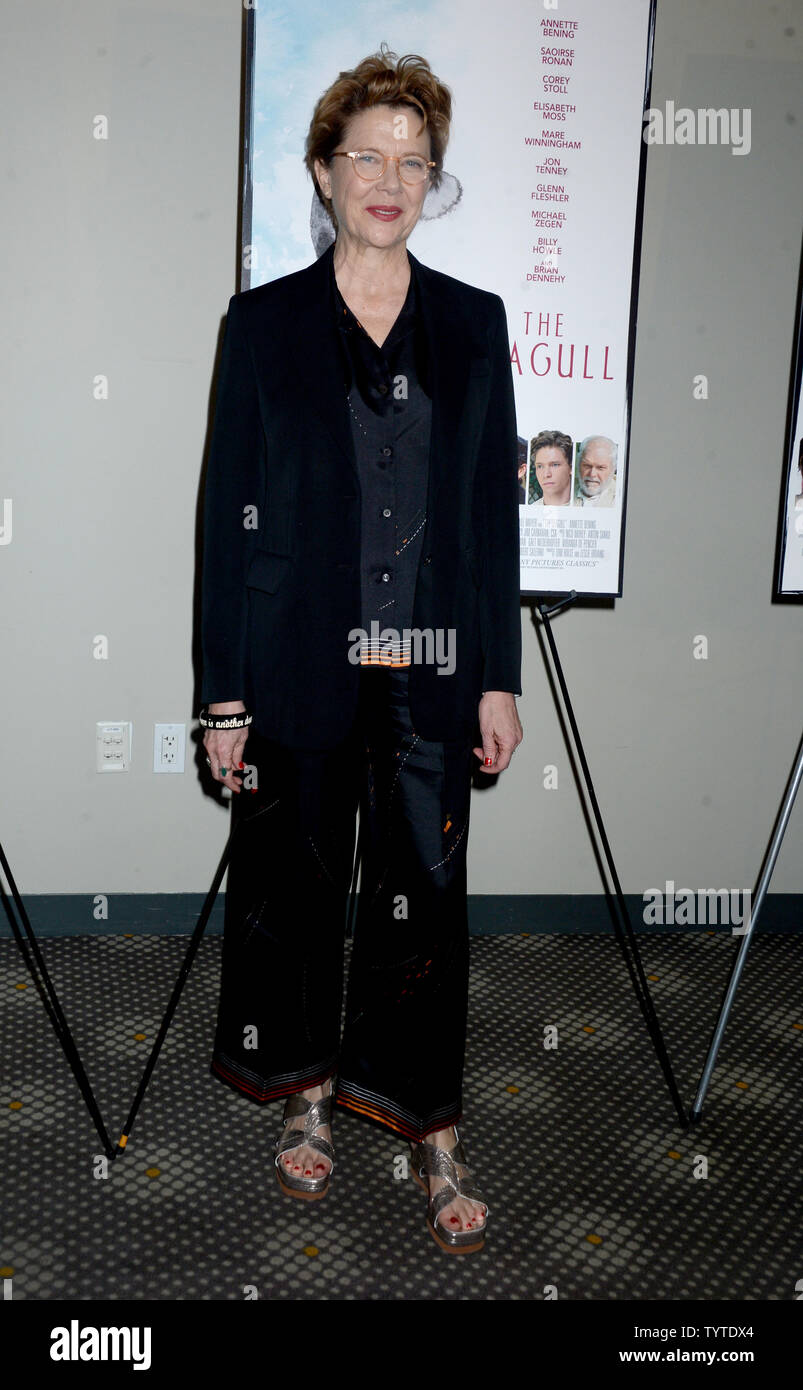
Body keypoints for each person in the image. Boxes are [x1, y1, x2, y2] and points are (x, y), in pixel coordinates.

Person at [199, 46, 523, 1255]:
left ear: (432, 179)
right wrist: (219, 695)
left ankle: (431, 1123)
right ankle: (313, 1098)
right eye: (367, 157)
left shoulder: (474, 324)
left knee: (426, 899)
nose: (389, 179)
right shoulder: (265, 323)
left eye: (414, 160)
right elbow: (225, 514)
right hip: (298, 657)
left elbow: (493, 514)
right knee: (299, 893)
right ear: (326, 173)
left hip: (435, 667)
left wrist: (498, 673)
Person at [529, 429, 573, 506]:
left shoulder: (589, 509)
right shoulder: (529, 512)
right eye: (540, 466)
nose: (546, 474)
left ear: (571, 467)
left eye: (555, 465)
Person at [575, 435, 617, 506]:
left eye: (600, 468)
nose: (592, 474)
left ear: (613, 469)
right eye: (587, 465)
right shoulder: (563, 489)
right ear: (578, 463)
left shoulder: (621, 498)